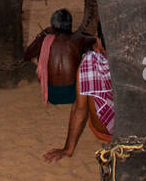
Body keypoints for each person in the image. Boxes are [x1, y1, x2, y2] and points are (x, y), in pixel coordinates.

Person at [43, 30, 113, 160]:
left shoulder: (90, 61)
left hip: (105, 131)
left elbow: (80, 109)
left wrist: (67, 149)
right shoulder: (141, 60)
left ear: (99, 41)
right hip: (133, 131)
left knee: (85, 93)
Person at [25, 8, 95, 104]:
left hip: (51, 95)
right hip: (73, 94)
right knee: (88, 52)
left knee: (42, 53)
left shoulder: (45, 40)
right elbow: (94, 40)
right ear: (69, 24)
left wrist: (43, 33)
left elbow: (27, 55)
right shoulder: (78, 39)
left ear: (53, 26)